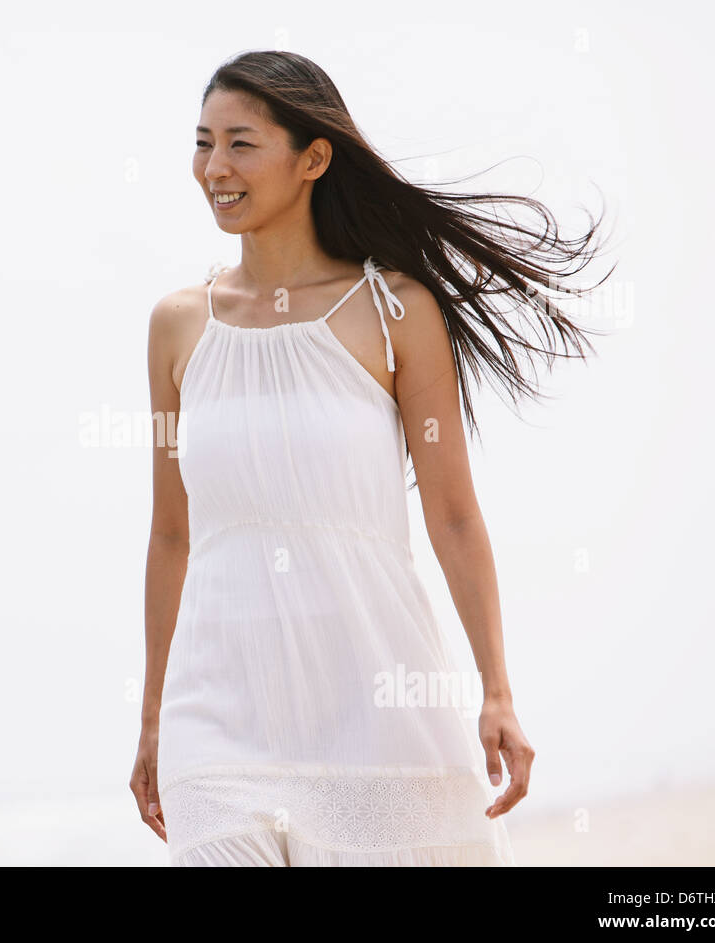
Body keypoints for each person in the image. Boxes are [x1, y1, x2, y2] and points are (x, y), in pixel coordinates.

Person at [131, 50, 613, 866]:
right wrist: (152, 720)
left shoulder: (394, 311)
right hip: (216, 723)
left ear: (313, 157)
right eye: (204, 141)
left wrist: (497, 689)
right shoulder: (179, 327)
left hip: (378, 705)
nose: (215, 167)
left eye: (242, 143)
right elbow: (171, 534)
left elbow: (453, 513)